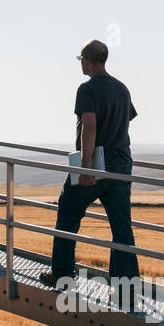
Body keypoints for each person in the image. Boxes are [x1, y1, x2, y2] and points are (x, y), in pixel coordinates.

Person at [39, 39, 140, 293]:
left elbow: (90, 127)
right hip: (122, 164)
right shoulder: (122, 89)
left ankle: (63, 276)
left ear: (86, 61)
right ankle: (125, 290)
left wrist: (85, 169)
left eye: (81, 61)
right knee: (121, 227)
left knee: (68, 213)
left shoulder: (87, 89)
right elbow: (124, 123)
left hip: (97, 164)